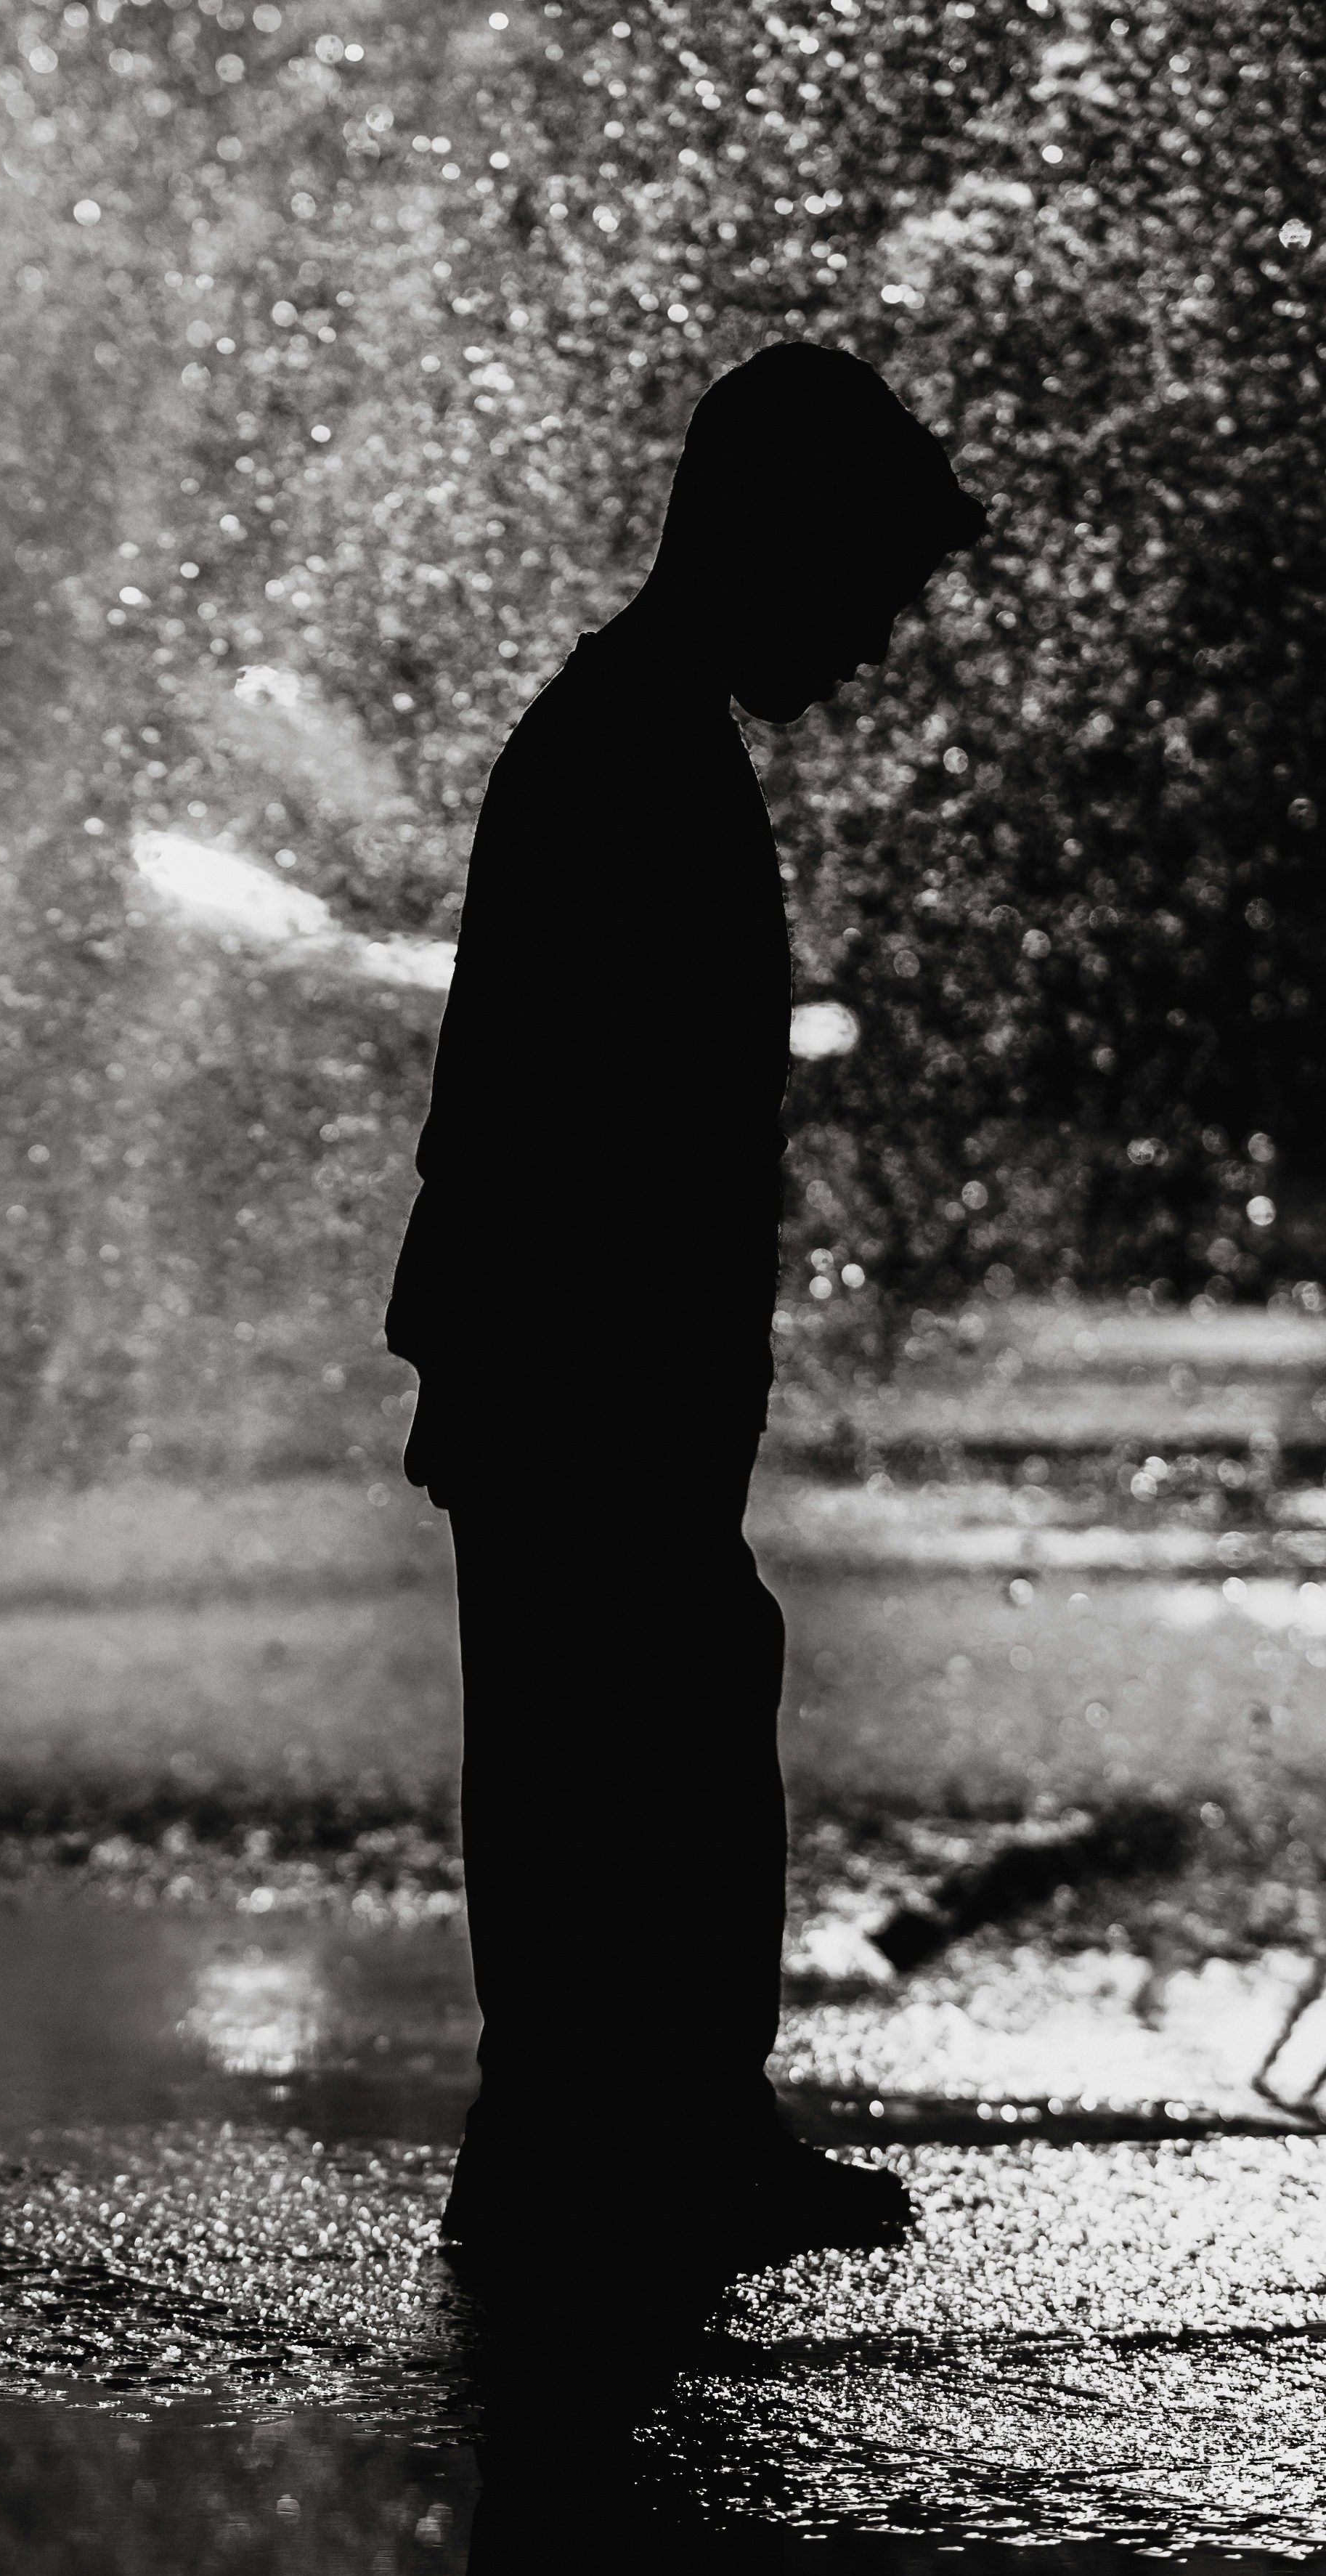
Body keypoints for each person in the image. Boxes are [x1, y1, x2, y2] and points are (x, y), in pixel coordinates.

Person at [386, 343, 988, 2284]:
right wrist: (586, 1355)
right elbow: (560, 1107)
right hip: (582, 1357)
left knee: (639, 1721)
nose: (881, 639)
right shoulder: (627, 749)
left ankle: (624, 2123)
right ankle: (593, 2137)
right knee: (612, 1733)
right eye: (870, 586)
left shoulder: (636, 729)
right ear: (776, 539)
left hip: (574, 1349)